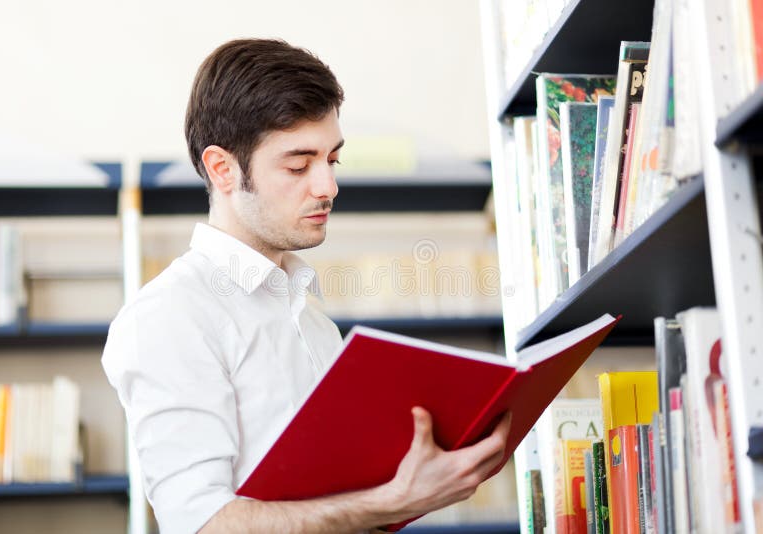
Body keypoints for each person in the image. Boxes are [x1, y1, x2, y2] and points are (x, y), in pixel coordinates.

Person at [102, 38, 511, 534]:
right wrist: (388, 503)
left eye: (332, 160)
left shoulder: (312, 318)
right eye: (298, 165)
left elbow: (339, 501)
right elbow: (202, 524)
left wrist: (422, 481)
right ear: (222, 168)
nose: (327, 187)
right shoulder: (169, 316)